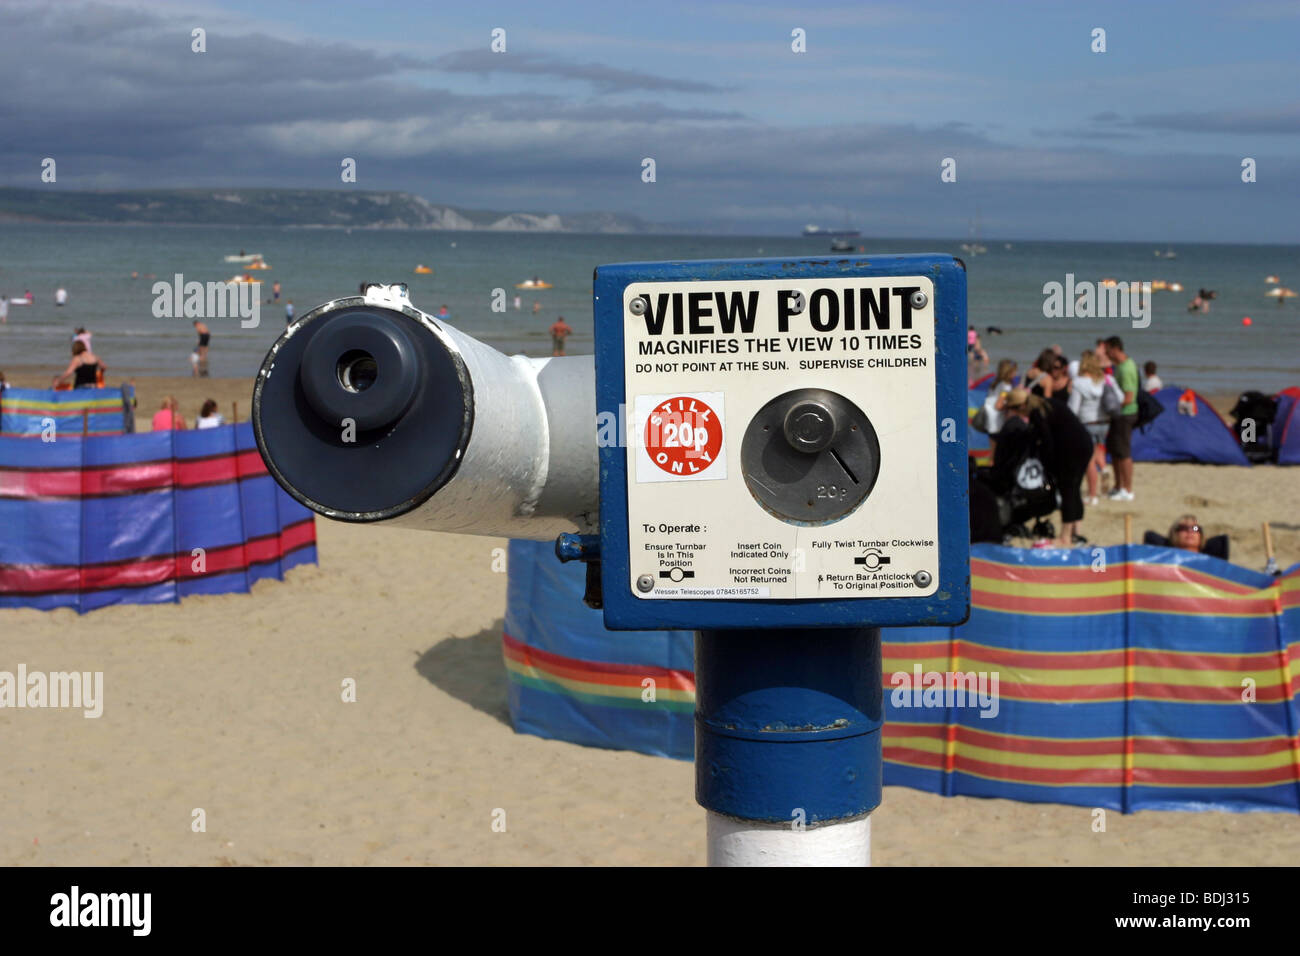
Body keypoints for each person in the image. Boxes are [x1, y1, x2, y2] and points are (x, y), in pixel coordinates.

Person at [1008, 387, 1093, 547]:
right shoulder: (1045, 403)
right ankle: (1076, 532)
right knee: (1075, 489)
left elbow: (1047, 442)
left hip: (1072, 450)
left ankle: (1065, 537)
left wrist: (1048, 467)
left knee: (1067, 490)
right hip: (1084, 444)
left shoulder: (1037, 413)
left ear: (1020, 407)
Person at [1069, 352, 1110, 506]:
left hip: (1087, 423)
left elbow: (1073, 408)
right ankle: (1104, 472)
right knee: (1098, 451)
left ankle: (1092, 495)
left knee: (1088, 461)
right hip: (1104, 422)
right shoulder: (1103, 381)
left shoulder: (1079, 383)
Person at [1104, 335, 1139, 501]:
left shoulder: (1126, 368)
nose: (1106, 353)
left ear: (1115, 349)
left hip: (1125, 414)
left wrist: (1110, 409)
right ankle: (1118, 486)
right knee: (1115, 451)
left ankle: (1127, 488)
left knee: (1124, 453)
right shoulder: (1120, 366)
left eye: (1107, 350)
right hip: (1119, 414)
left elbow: (1129, 397)